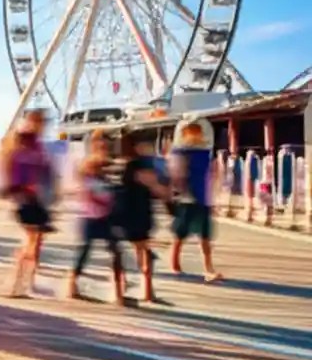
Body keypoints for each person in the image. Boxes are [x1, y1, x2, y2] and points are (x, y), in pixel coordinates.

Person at [0, 108, 56, 298]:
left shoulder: (38, 145)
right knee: (30, 242)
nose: (42, 126)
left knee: (36, 242)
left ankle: (26, 282)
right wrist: (12, 189)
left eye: (43, 122)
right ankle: (15, 284)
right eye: (39, 122)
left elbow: (45, 170)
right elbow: (7, 162)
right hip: (24, 197)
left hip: (37, 198)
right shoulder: (20, 140)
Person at [64, 136, 124, 304]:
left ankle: (119, 292)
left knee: (115, 252)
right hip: (89, 217)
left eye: (106, 145)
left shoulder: (108, 168)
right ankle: (71, 286)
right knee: (84, 251)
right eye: (101, 145)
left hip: (106, 217)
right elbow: (83, 191)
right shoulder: (87, 168)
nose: (104, 148)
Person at [169, 120, 224, 282]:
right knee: (180, 235)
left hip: (203, 197)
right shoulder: (180, 152)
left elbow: (212, 175)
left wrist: (213, 198)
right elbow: (176, 174)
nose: (195, 136)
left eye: (197, 132)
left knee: (205, 236)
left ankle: (209, 269)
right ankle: (174, 265)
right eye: (191, 132)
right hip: (186, 199)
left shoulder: (206, 153)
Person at [117, 134, 169, 303]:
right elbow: (154, 187)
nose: (148, 149)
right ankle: (145, 290)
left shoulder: (127, 165)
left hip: (130, 212)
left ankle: (128, 287)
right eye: (145, 145)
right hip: (137, 212)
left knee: (134, 250)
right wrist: (168, 198)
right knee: (143, 250)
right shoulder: (139, 165)